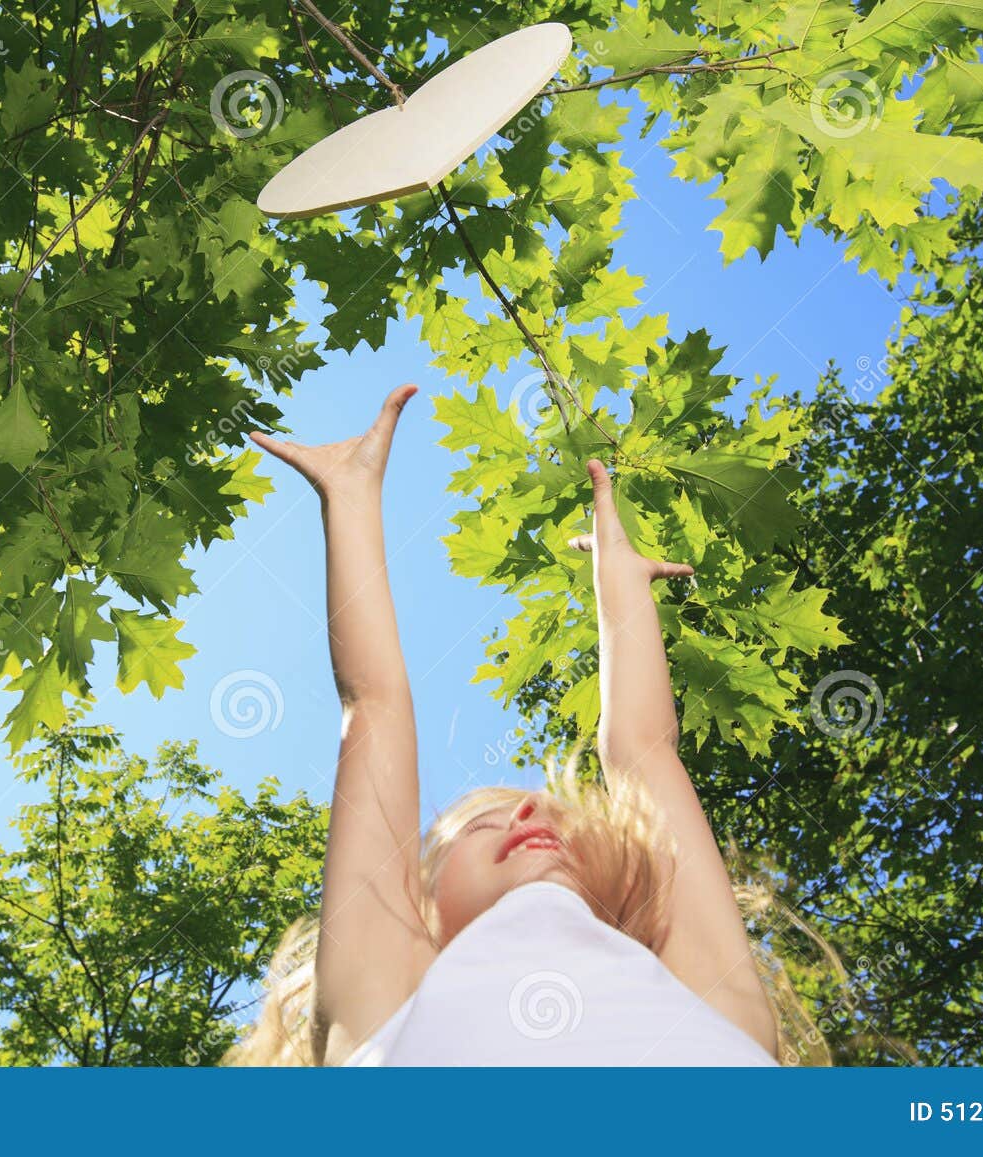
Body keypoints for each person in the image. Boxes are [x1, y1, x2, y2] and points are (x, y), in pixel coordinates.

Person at [230, 383, 783, 1066]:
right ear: (420, 903)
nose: (526, 809)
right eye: (482, 823)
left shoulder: (712, 995)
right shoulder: (385, 995)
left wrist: (625, 585)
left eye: (544, 815)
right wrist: (349, 499)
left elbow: (643, 750)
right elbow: (374, 703)